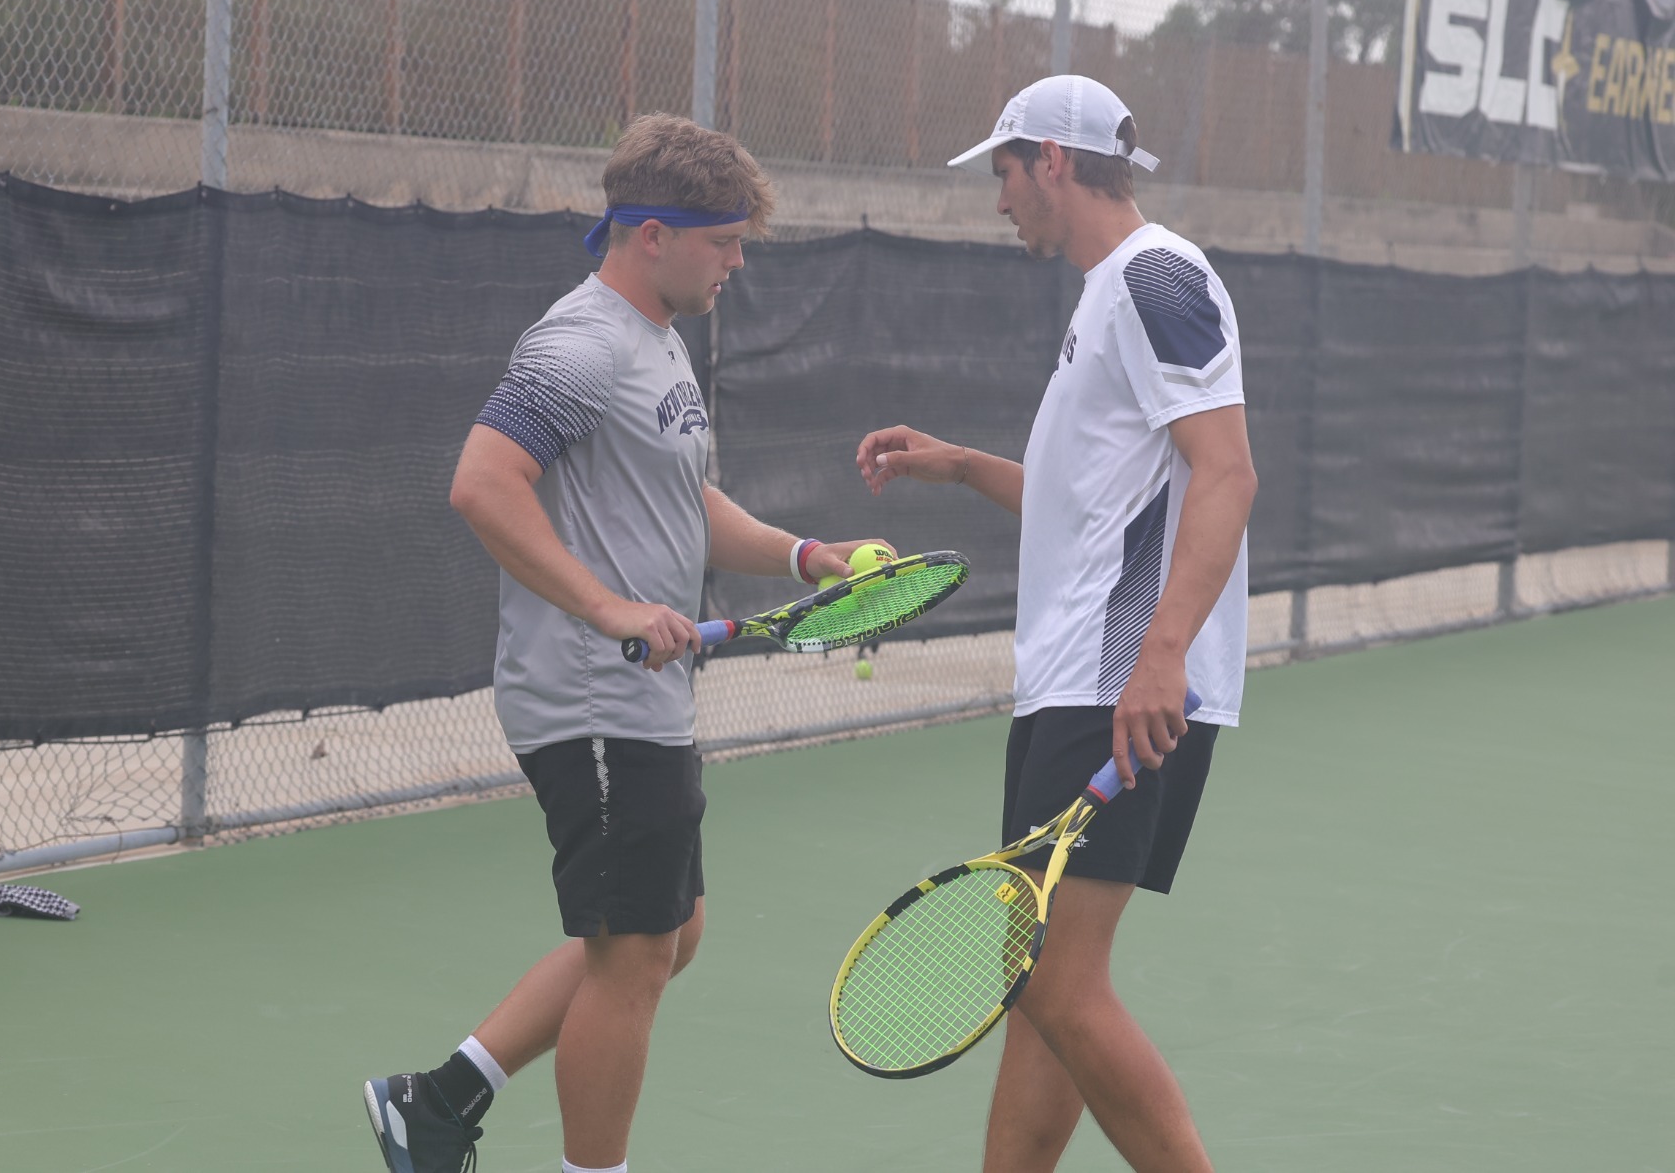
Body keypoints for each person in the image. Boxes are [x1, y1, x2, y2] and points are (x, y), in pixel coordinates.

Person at [366, 112, 887, 1173]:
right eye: (722, 241)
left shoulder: (657, 343)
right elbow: (482, 481)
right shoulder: (581, 342)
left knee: (668, 933)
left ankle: (438, 1101)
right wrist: (605, 608)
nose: (736, 263)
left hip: (646, 694)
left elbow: (685, 501)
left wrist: (802, 556)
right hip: (591, 693)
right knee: (633, 952)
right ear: (652, 234)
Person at [857, 74, 1256, 1173]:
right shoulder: (1105, 296)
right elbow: (1088, 507)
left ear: (1049, 160)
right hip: (1076, 683)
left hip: (1114, 687)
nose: (999, 204)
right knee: (1036, 984)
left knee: (1059, 985)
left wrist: (1158, 656)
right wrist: (955, 464)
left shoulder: (1153, 277)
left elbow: (1224, 472)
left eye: (1001, 174)